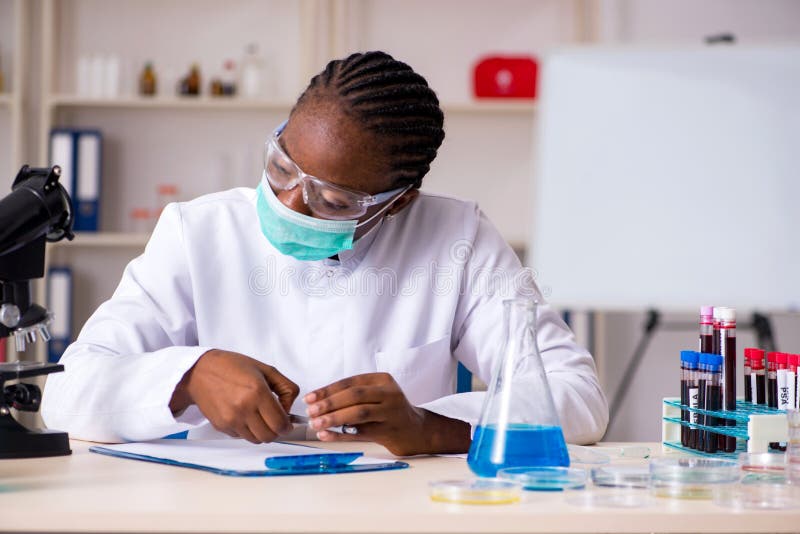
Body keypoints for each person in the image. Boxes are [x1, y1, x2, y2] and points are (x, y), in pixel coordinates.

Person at [41, 51, 608, 455]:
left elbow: (577, 396)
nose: (290, 203)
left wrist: (432, 428)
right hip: (222, 513)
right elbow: (66, 392)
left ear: (399, 202)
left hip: (394, 515)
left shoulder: (456, 236)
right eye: (282, 167)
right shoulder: (198, 232)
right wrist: (187, 376)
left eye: (333, 199)